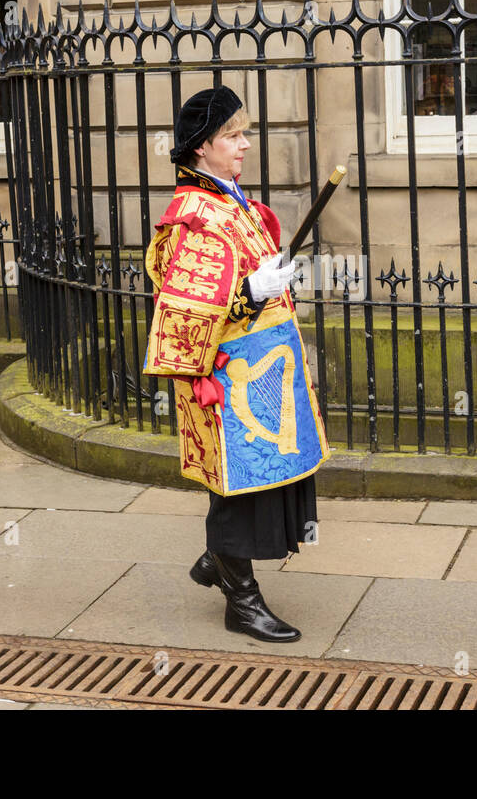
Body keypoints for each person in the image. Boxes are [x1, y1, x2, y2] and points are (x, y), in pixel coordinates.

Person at [143, 85, 327, 642]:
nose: (245, 144)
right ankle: (240, 601)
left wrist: (266, 278)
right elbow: (186, 312)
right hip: (228, 380)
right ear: (202, 147)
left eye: (244, 133)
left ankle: (216, 559)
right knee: (235, 486)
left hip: (265, 370)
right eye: (232, 135)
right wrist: (250, 290)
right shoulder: (196, 214)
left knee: (262, 477)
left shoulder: (231, 200)